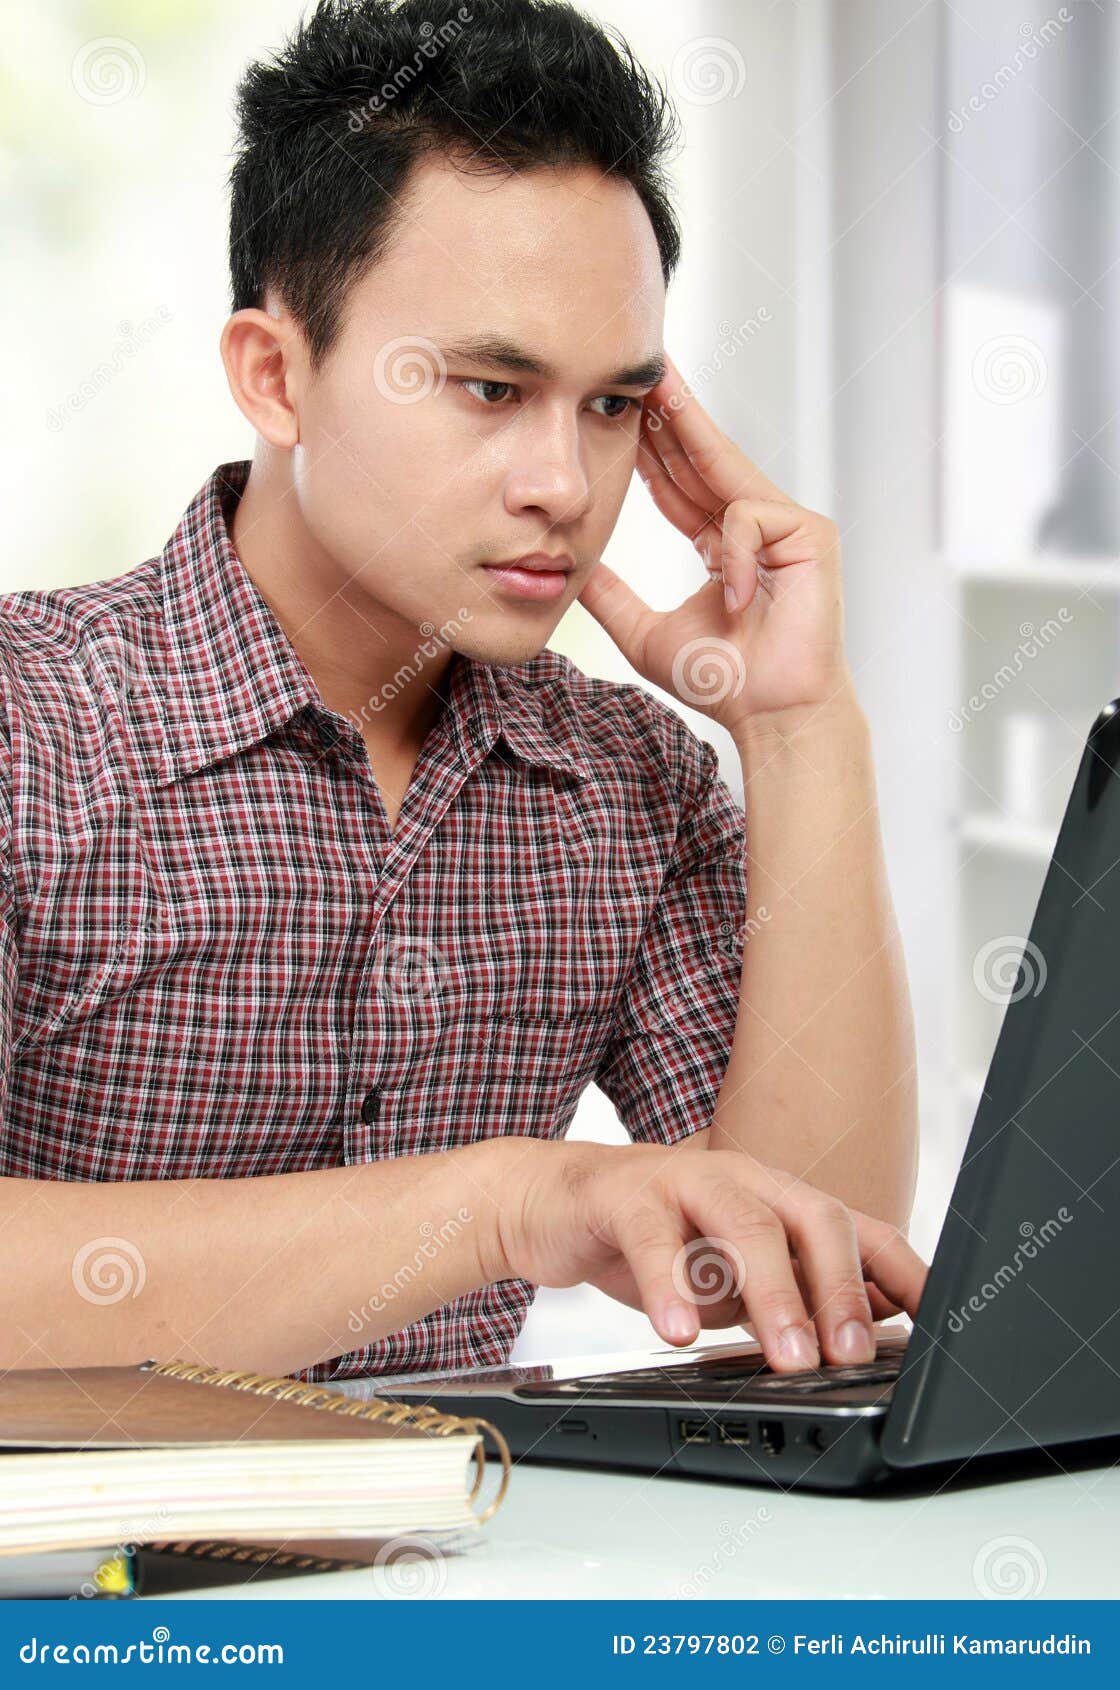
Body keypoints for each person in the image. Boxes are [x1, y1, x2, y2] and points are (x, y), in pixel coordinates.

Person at [0, 0, 923, 1383]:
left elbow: (804, 1271)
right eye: (492, 388)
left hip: (471, 1573)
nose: (564, 483)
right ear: (276, 373)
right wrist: (501, 1205)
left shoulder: (631, 783)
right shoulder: (31, 727)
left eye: (612, 407)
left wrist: (799, 731)